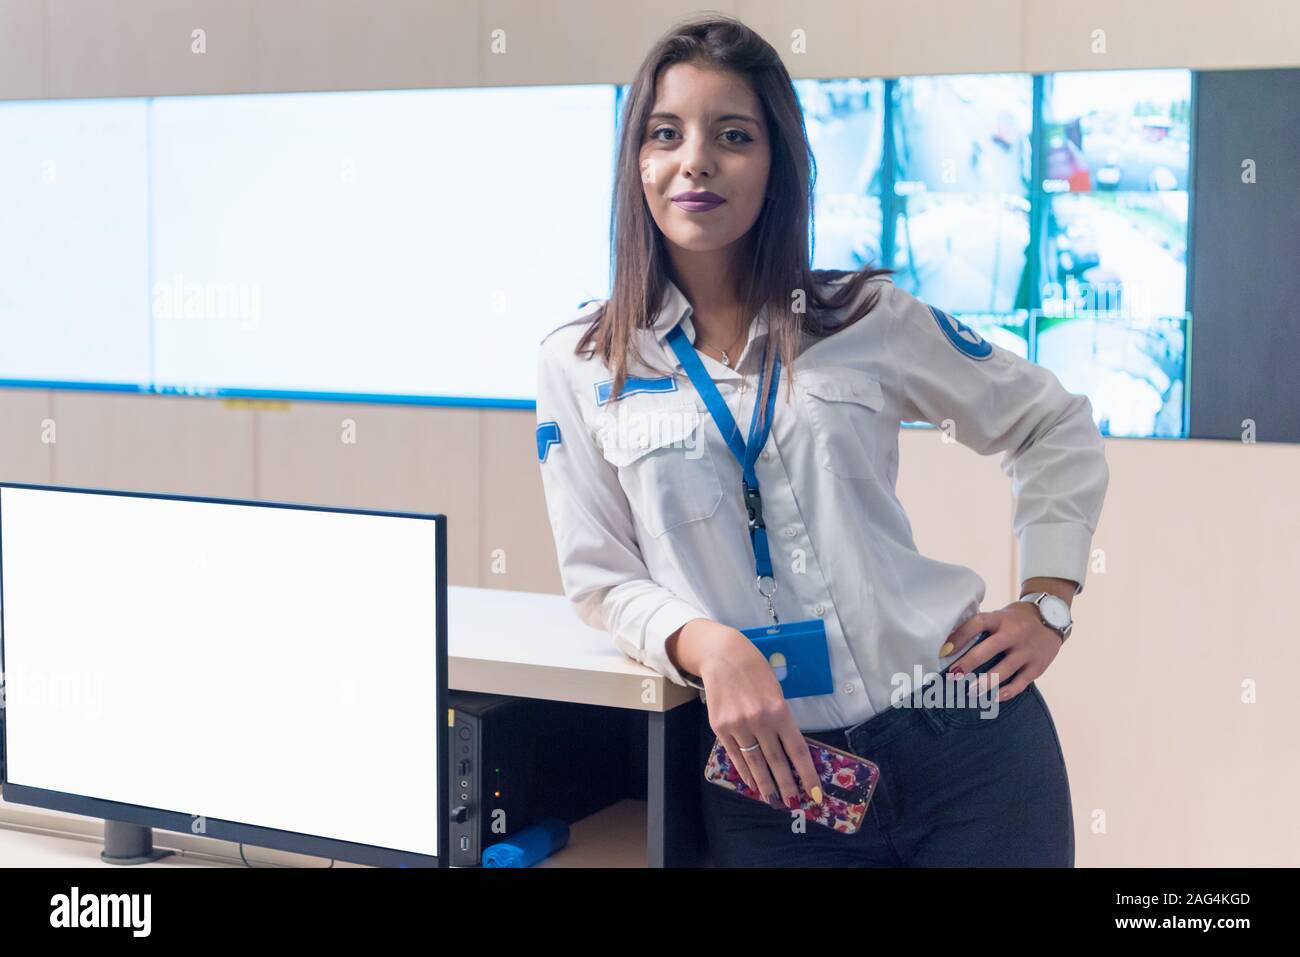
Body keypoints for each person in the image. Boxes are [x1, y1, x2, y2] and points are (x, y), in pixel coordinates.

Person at [534, 14, 1107, 867]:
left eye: (734, 135)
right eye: (666, 133)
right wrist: (706, 644)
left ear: (778, 164)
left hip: (967, 746)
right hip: (777, 782)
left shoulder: (862, 317)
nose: (696, 160)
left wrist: (1047, 602)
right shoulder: (584, 361)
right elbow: (602, 577)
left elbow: (1050, 420)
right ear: (636, 162)